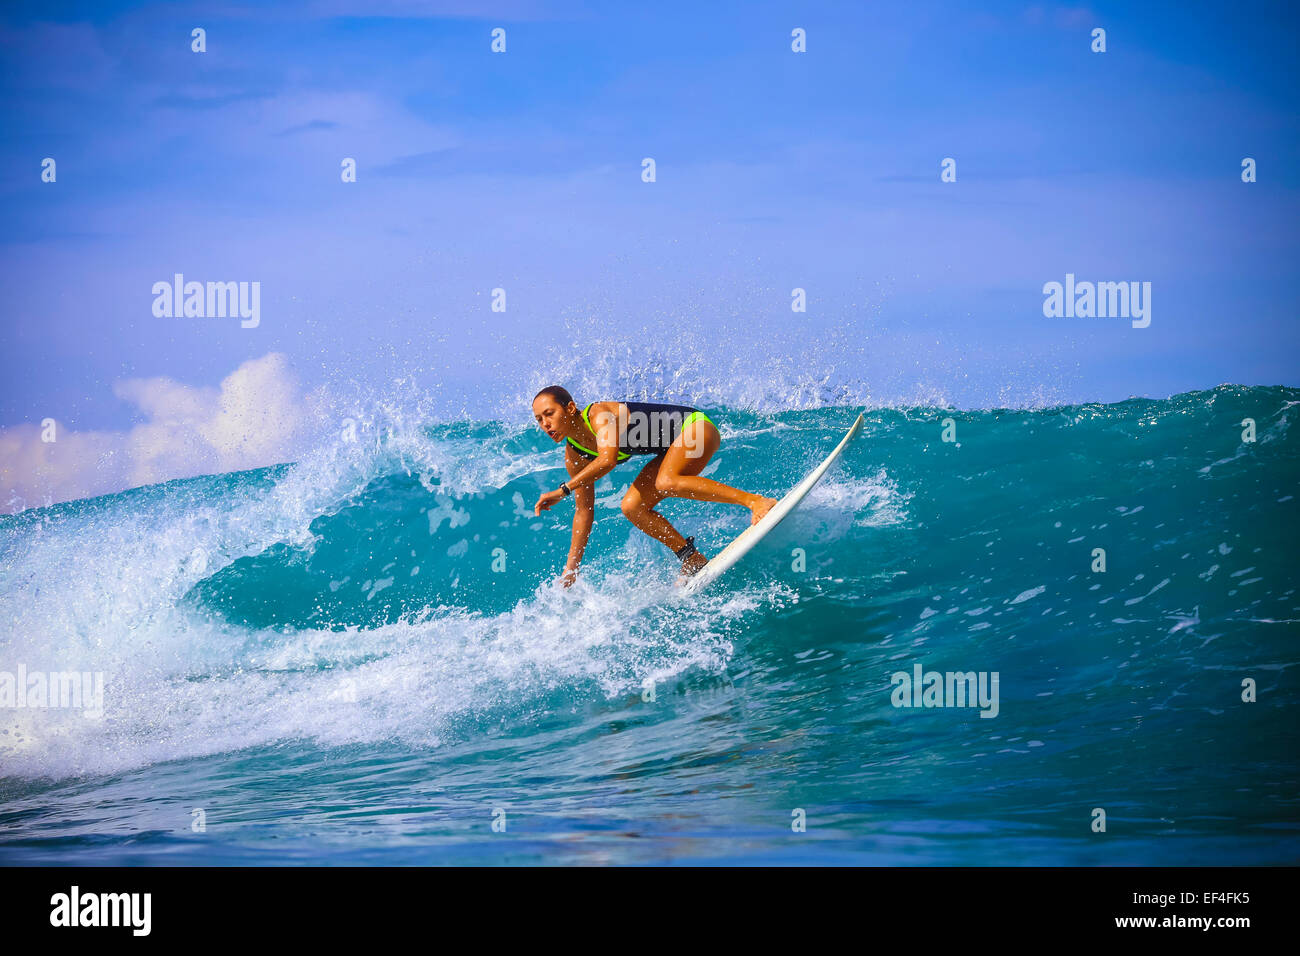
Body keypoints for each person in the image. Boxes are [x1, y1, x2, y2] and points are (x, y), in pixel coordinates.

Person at [531, 385, 776, 586]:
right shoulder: (575, 454)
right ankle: (690, 557)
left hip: (695, 427)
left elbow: (607, 460)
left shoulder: (599, 414)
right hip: (671, 448)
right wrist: (571, 569)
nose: (545, 424)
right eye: (539, 420)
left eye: (549, 414)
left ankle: (755, 501)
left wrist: (563, 490)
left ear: (570, 408)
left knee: (666, 481)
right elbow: (584, 511)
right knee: (632, 506)